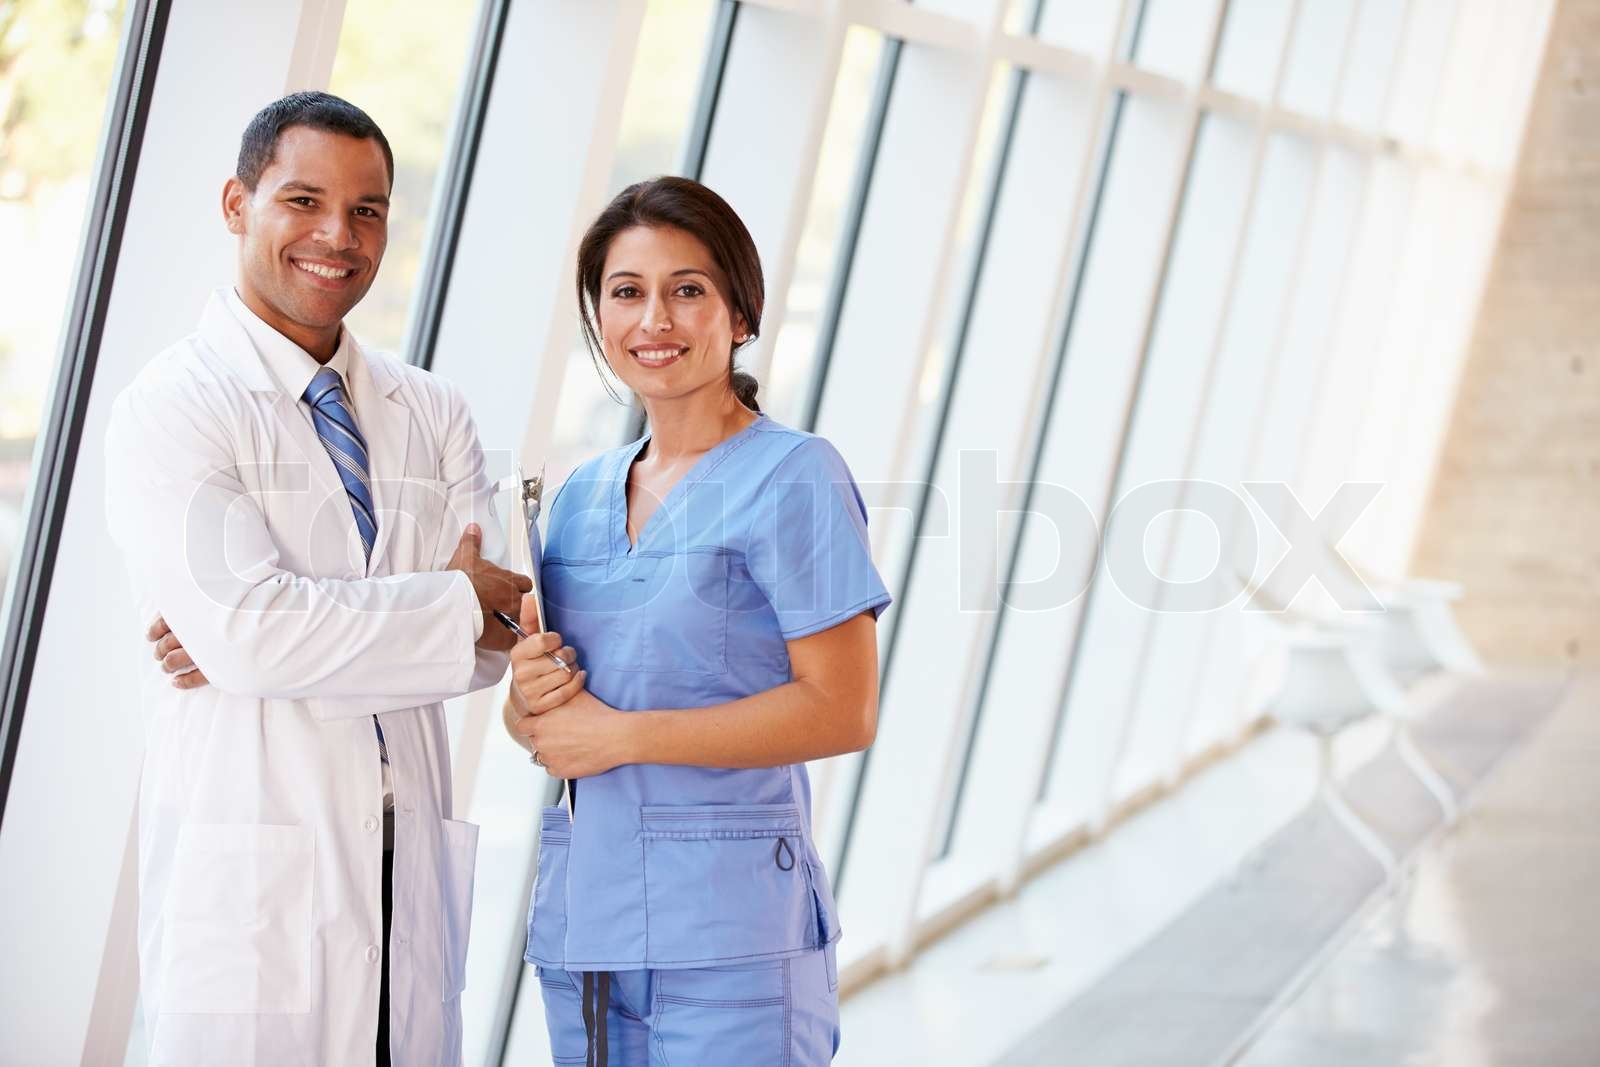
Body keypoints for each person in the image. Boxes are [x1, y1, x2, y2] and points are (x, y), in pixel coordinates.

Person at [105, 92, 530, 1066]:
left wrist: (285, 630)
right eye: (303, 200)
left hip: (402, 862)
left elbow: (491, 639)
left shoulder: (430, 407)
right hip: (259, 884)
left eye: (368, 209)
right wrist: (439, 602)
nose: (338, 236)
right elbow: (258, 631)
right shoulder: (173, 407)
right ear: (235, 203)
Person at [503, 176, 891, 1066]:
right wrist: (529, 703)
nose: (656, 320)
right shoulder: (580, 495)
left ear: (740, 313)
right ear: (599, 316)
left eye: (688, 290)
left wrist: (623, 737)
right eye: (627, 292)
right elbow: (551, 726)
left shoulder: (794, 476)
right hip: (589, 927)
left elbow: (843, 708)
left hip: (732, 938)